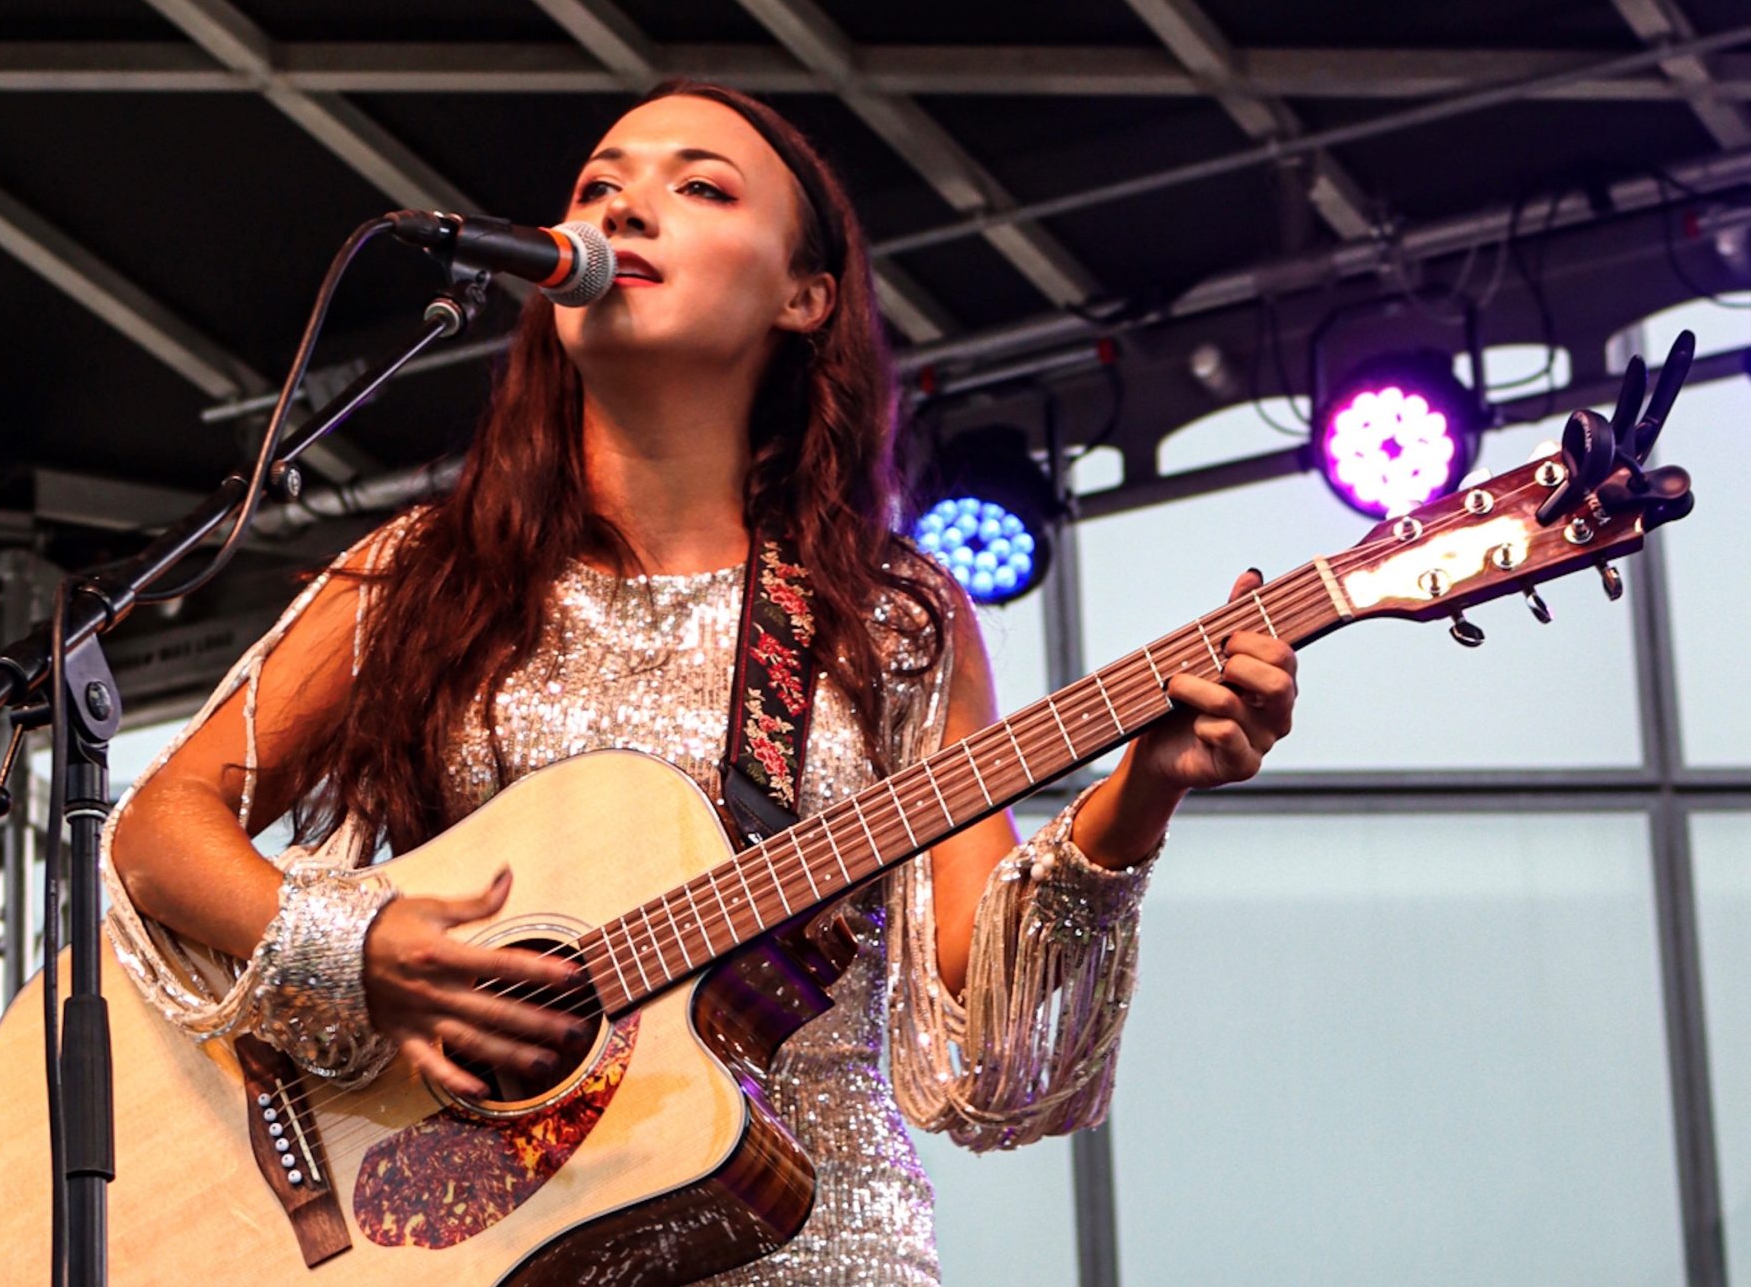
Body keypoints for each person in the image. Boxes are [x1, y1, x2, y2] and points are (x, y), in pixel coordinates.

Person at [103, 79, 1299, 1284]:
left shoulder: (887, 616)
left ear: (802, 295)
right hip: (471, 1237)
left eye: (699, 186)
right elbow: (160, 828)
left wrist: (1140, 794)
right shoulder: (421, 572)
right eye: (596, 187)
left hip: (812, 1240)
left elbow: (990, 1044)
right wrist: (359, 944)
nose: (626, 209)